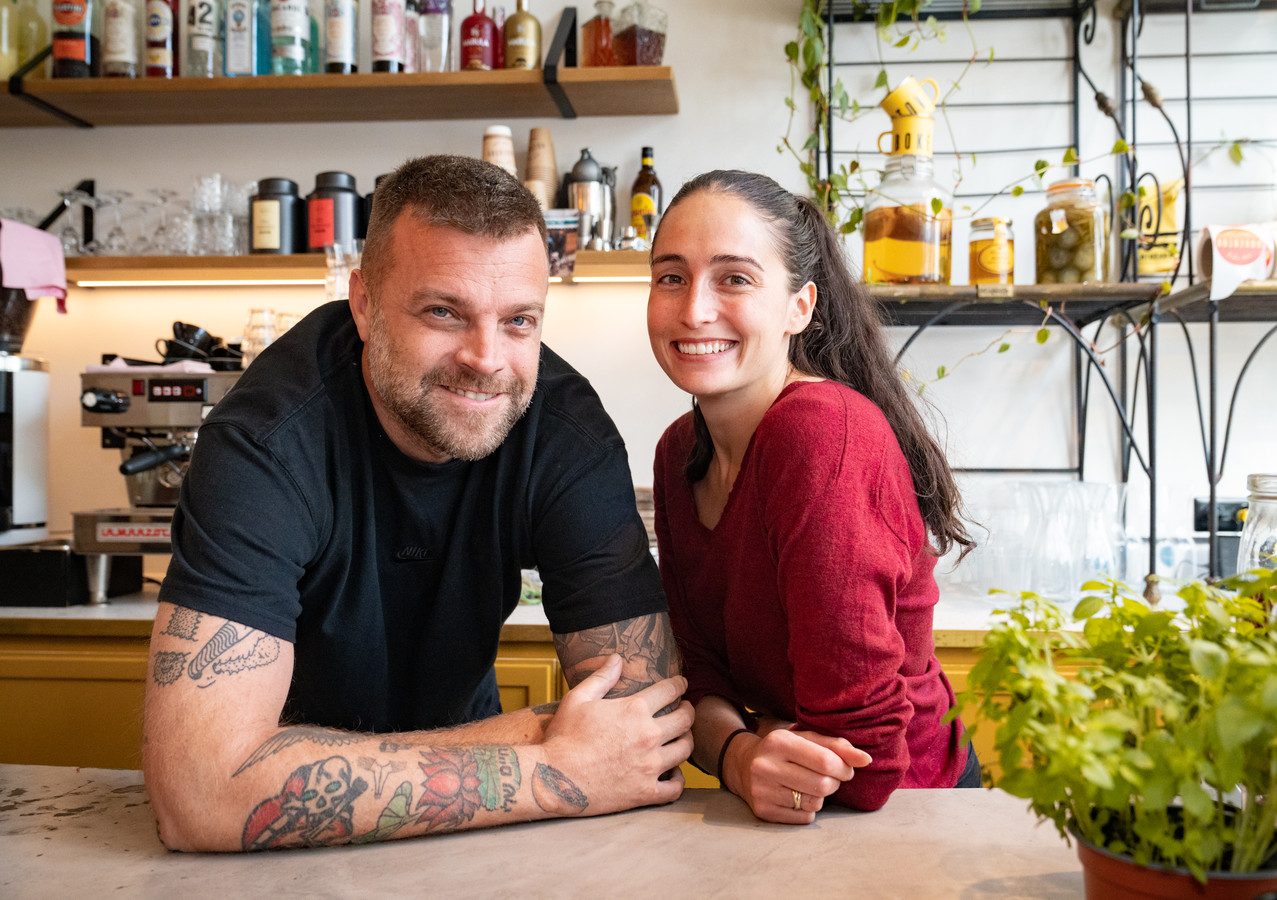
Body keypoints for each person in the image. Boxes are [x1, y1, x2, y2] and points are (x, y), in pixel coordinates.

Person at [143, 155, 693, 852]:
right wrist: (552, 757)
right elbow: (200, 796)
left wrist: (285, 763)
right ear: (365, 305)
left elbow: (649, 735)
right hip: (280, 859)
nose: (487, 358)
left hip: (468, 832)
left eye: (520, 321)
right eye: (444, 312)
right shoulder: (266, 441)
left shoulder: (566, 434)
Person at [646, 170, 980, 826]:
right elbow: (699, 687)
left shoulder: (821, 432)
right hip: (783, 816)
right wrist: (746, 752)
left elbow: (865, 763)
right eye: (670, 276)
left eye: (734, 278)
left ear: (800, 306)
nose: (693, 310)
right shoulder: (678, 451)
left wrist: (746, 738)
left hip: (912, 817)